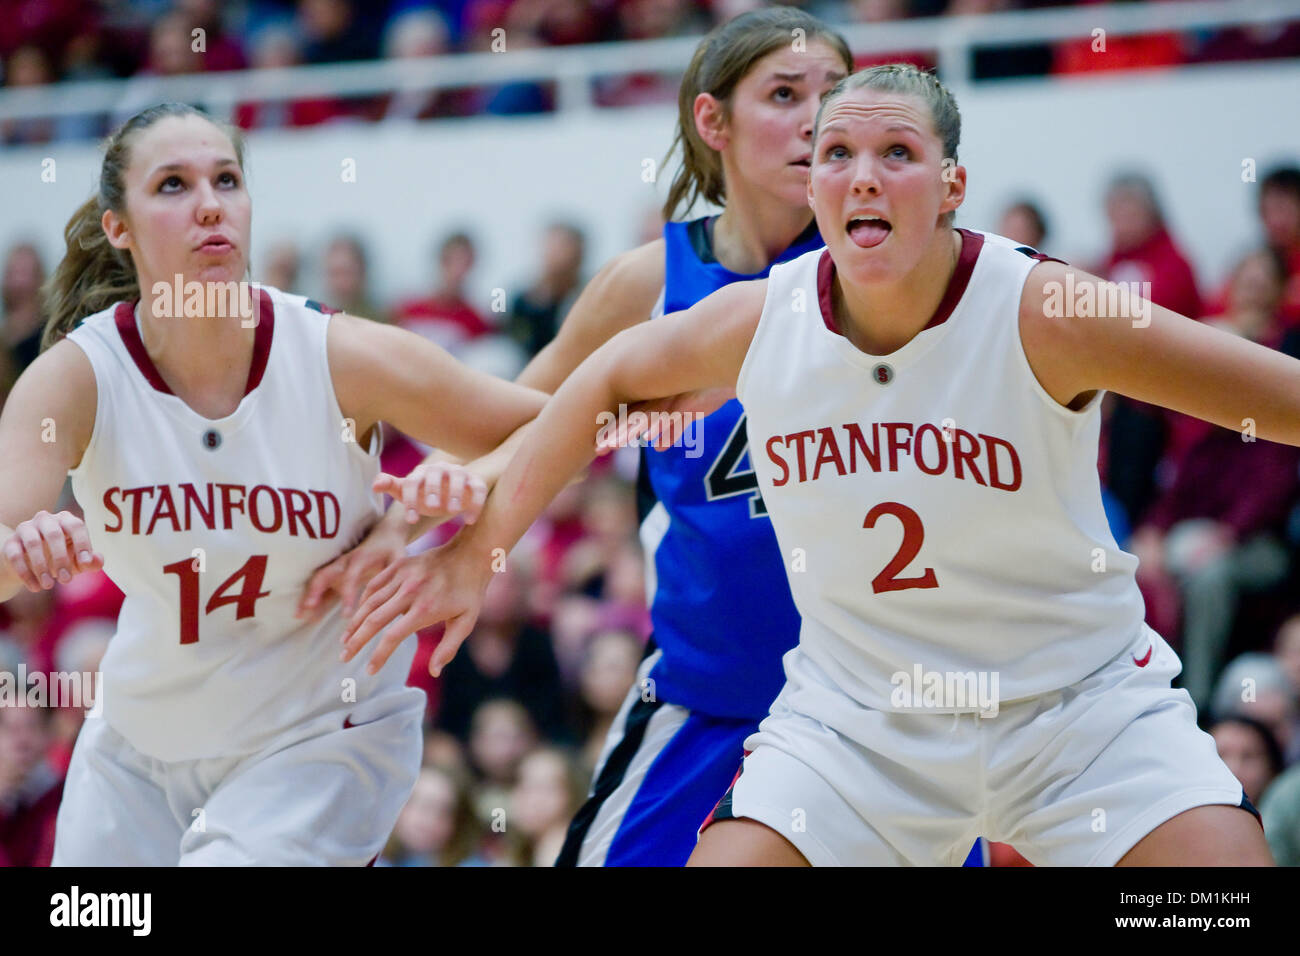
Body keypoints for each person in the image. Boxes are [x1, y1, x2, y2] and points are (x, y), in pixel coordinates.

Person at [341, 63, 1292, 866]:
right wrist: (477, 549)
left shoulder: (1048, 309)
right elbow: (601, 381)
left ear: (953, 185)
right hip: (859, 725)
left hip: (1080, 710)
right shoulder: (762, 318)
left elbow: (1280, 399)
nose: (862, 177)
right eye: (838, 155)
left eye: (897, 155)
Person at [308, 8, 933, 868]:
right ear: (713, 122)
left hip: (880, 702)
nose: (815, 121)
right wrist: (415, 513)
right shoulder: (649, 282)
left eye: (833, 97)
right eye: (785, 95)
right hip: (704, 691)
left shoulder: (897, 271)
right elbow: (521, 417)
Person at [0, 102, 544, 866]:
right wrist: (24, 548)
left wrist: (439, 514)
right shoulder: (76, 378)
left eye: (227, 179)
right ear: (117, 227)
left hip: (316, 736)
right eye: (174, 185)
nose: (211, 204)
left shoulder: (333, 354)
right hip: (138, 749)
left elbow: (555, 428)